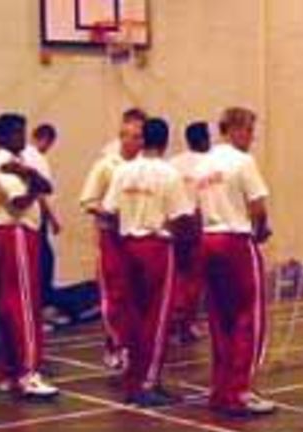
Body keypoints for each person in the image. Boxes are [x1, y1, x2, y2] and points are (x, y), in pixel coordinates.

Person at [102, 117, 199, 406]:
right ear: (166, 141)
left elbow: (109, 211)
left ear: (143, 139)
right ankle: (148, 381)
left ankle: (134, 379)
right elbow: (182, 216)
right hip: (155, 246)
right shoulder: (168, 174)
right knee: (158, 318)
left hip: (127, 245)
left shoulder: (123, 171)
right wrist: (178, 239)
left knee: (133, 315)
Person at [190, 107, 276, 417]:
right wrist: (261, 230)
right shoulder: (242, 161)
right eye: (250, 131)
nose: (252, 138)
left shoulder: (202, 166)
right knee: (248, 315)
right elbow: (257, 205)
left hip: (208, 239)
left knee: (219, 317)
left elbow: (195, 208)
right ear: (236, 129)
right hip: (235, 240)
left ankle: (221, 388)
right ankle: (240, 389)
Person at [0, 112, 59, 400]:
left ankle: (9, 369)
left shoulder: (20, 162)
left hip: (21, 232)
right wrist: (31, 181)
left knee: (12, 302)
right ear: (3, 137)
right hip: (16, 230)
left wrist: (28, 174)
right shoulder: (0, 165)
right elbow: (21, 201)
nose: (21, 138)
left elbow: (47, 186)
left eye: (23, 132)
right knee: (24, 304)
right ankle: (28, 373)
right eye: (16, 133)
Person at [80, 115, 144, 373]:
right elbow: (88, 201)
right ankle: (115, 346)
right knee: (115, 295)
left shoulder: (147, 166)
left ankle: (136, 346)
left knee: (137, 295)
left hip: (140, 238)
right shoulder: (106, 166)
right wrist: (111, 214)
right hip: (113, 238)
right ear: (122, 137)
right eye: (133, 136)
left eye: (141, 136)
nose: (138, 141)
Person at [169, 121, 214, 345]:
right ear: (205, 139)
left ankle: (174, 322)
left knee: (176, 274)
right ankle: (186, 325)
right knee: (194, 277)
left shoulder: (173, 163)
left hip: (173, 222)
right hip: (195, 221)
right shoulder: (209, 163)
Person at [27, 123, 61, 309]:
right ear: (47, 140)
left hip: (32, 219)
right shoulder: (38, 159)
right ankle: (41, 305)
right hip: (36, 219)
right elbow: (41, 192)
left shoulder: (23, 155)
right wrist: (53, 219)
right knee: (44, 262)